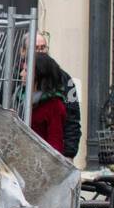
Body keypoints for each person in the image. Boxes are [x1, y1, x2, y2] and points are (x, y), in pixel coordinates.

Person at [19, 32, 80, 160]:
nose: (41, 52)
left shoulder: (65, 79)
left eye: (43, 48)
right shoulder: (14, 78)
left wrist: (69, 154)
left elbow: (72, 118)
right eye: (36, 48)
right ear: (23, 52)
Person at [30, 54, 68, 155]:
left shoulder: (54, 105)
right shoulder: (22, 99)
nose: (21, 74)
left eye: (26, 70)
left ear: (39, 75)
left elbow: (55, 146)